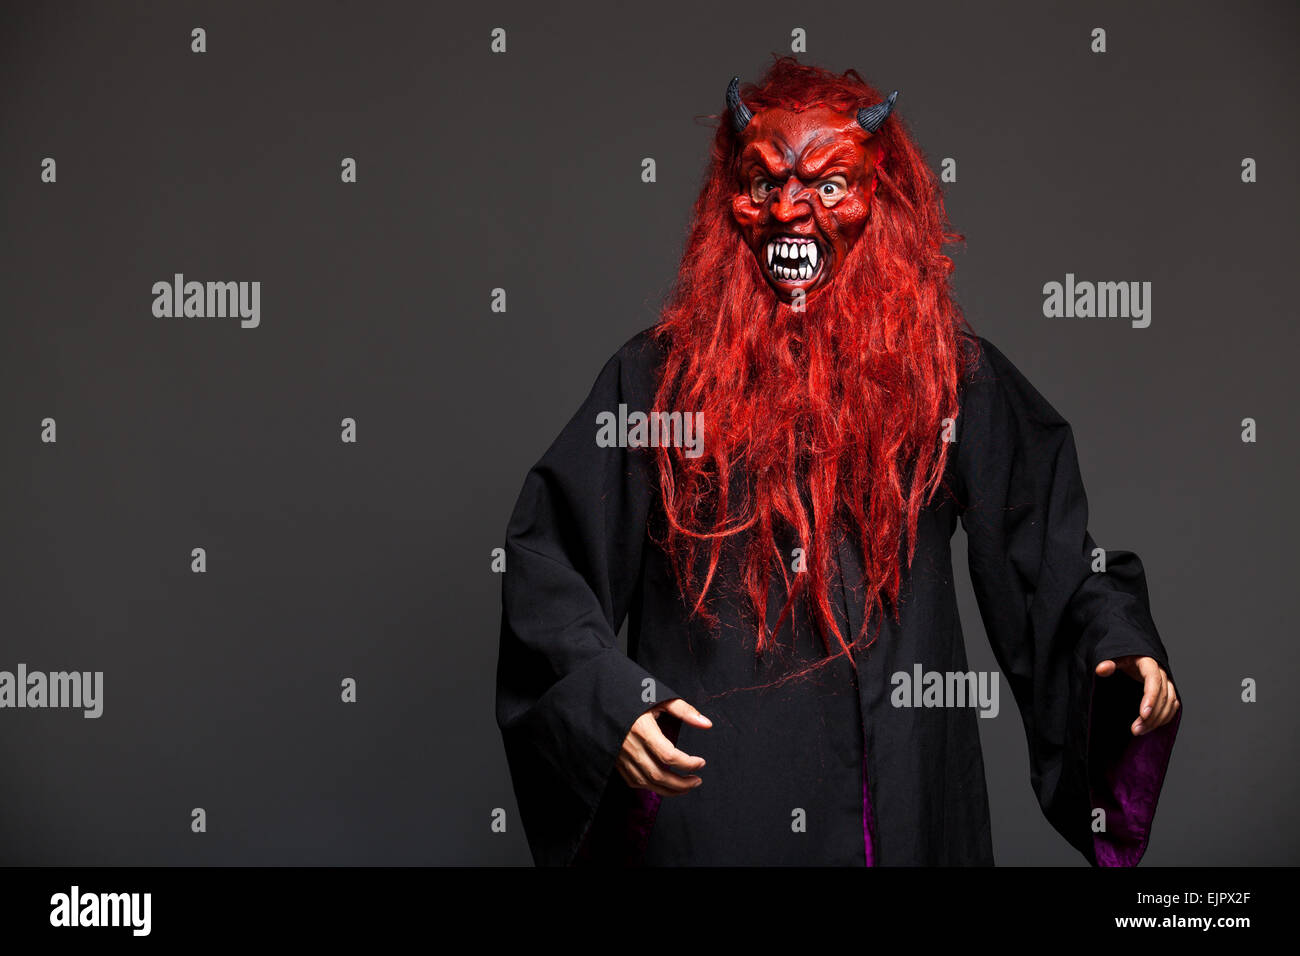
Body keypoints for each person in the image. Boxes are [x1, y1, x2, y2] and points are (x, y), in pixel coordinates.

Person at [496, 57, 1181, 866]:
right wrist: (608, 703)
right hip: (719, 809)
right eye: (763, 184)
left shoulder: (947, 377)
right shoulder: (655, 382)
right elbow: (547, 560)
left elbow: (1049, 548)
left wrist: (1113, 638)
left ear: (880, 206)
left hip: (903, 807)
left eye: (828, 188)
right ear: (729, 205)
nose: (791, 211)